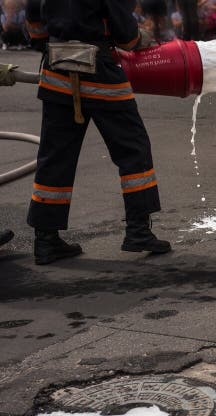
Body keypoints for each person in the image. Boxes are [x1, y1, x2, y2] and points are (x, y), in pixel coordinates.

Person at [25, 0, 171, 265]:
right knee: (133, 149)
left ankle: (45, 240)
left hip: (57, 68)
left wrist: (50, 40)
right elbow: (127, 38)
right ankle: (138, 231)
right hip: (99, 71)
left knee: (55, 156)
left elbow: (34, 23)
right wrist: (139, 39)